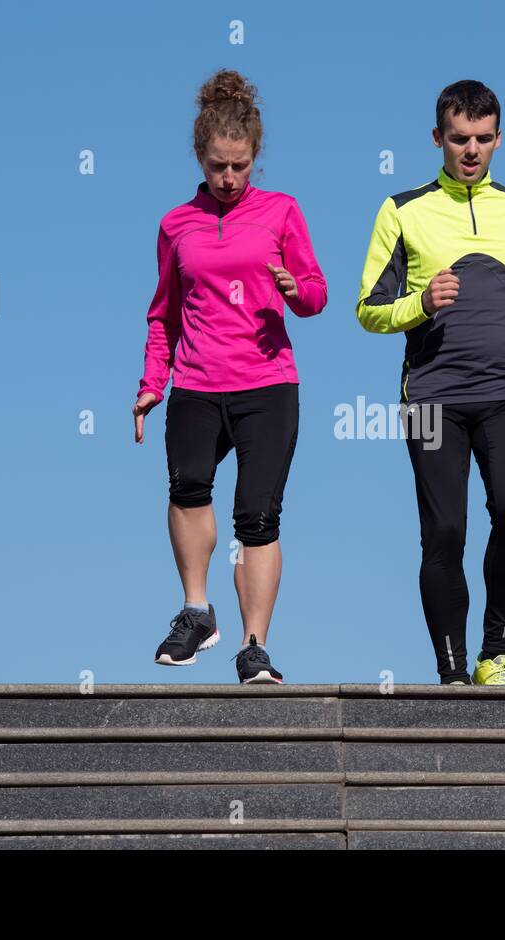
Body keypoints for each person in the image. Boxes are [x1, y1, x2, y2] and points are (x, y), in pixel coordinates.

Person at [355, 80, 505, 686]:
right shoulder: (401, 210)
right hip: (431, 396)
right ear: (437, 139)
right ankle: (451, 671)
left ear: (499, 139)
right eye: (458, 139)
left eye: (482, 139)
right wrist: (420, 303)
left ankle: (495, 652)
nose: (470, 151)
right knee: (445, 529)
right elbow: (369, 308)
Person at [133, 69, 327, 684]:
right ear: (200, 157)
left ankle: (254, 646)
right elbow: (162, 313)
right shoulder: (176, 224)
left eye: (239, 166)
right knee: (187, 485)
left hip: (267, 384)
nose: (228, 178)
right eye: (218, 166)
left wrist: (298, 291)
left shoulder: (281, 211)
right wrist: (149, 384)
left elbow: (317, 293)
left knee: (257, 517)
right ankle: (196, 611)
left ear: (255, 159)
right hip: (194, 383)